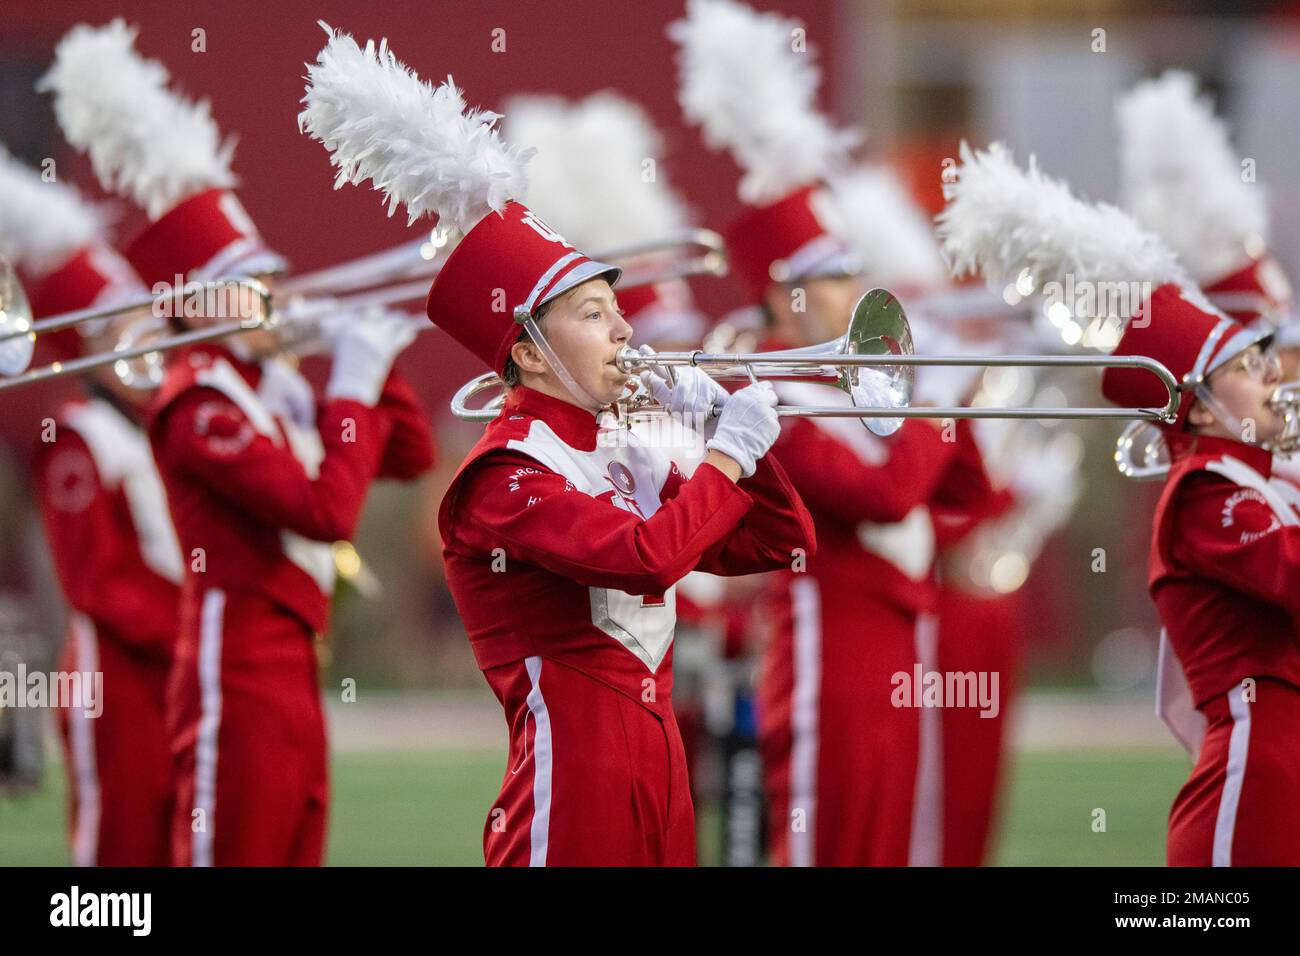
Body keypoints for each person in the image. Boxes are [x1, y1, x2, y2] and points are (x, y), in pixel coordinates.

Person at [299, 24, 816, 864]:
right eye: (592, 314)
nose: (624, 329)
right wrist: (725, 456)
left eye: (617, 309)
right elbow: (649, 557)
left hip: (661, 776)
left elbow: (782, 541)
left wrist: (730, 432)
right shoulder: (504, 475)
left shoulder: (622, 449)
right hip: (568, 791)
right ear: (532, 352)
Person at [43, 20, 435, 865]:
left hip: (290, 661)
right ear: (203, 305)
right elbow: (325, 510)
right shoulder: (196, 405)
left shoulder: (272, 389)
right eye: (253, 288)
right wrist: (352, 386)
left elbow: (408, 457)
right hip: (234, 666)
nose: (276, 299)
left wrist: (363, 362)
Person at [3, 148, 180, 865]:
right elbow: (98, 585)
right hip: (116, 677)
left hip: (169, 670)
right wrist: (196, 628)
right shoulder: (79, 437)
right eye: (128, 330)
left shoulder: (160, 430)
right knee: (117, 851)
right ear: (96, 344)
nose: (154, 348)